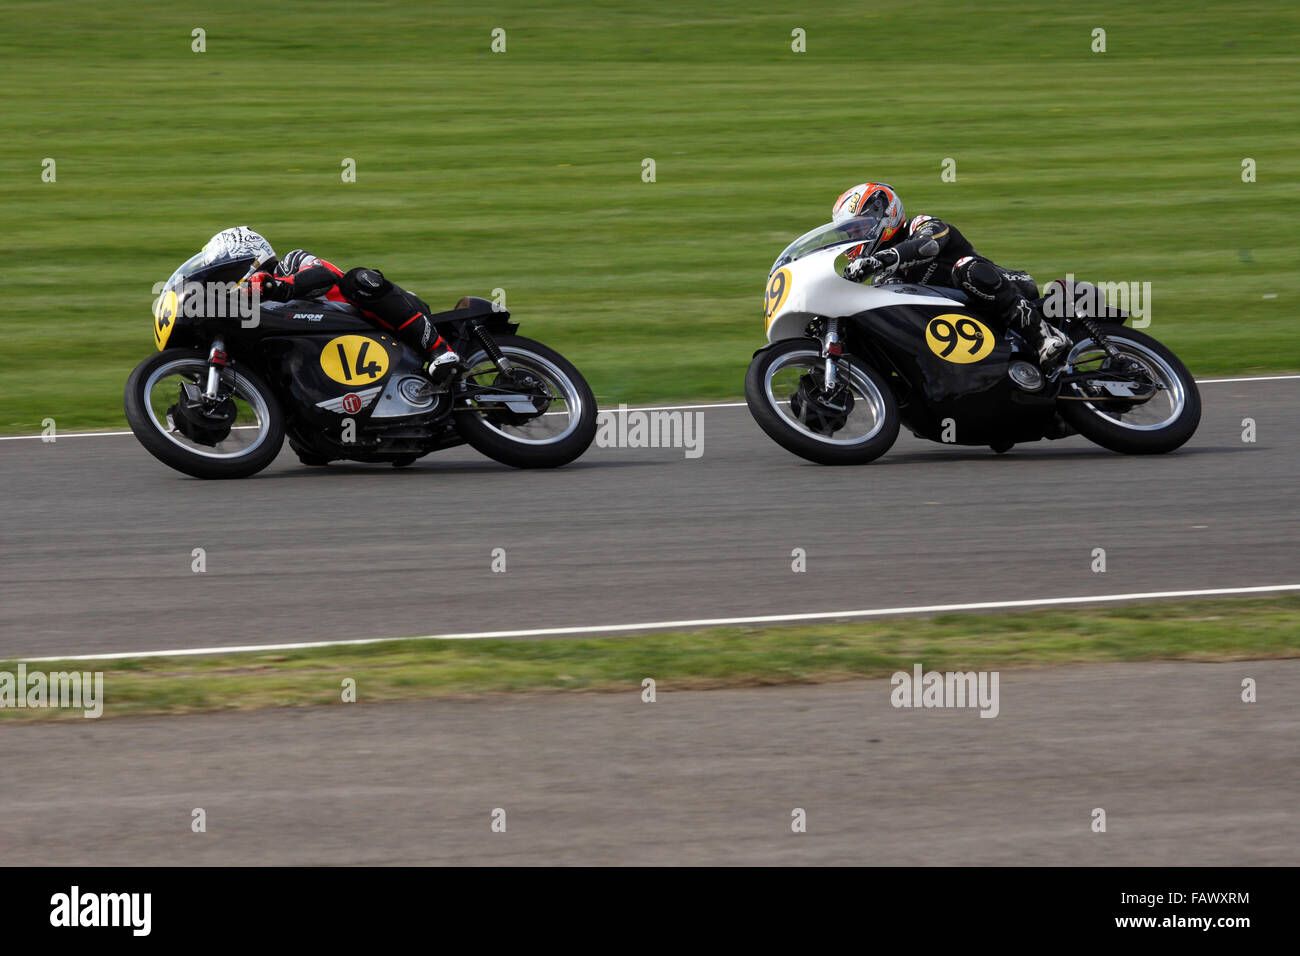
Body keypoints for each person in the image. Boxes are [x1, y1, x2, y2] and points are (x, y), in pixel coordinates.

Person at [832, 183, 1070, 369]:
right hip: (965, 328)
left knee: (965, 269)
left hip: (1008, 286)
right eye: (850, 233)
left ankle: (1044, 337)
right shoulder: (883, 280)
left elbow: (928, 246)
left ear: (883, 212)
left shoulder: (920, 224)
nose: (855, 238)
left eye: (859, 228)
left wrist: (879, 260)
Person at [207, 227, 460, 386]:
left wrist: (279, 287)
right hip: (344, 362)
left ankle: (439, 350)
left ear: (253, 258)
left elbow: (325, 274)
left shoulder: (291, 262)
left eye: (232, 271)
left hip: (378, 323)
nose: (229, 280)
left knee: (358, 279)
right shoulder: (255, 311)